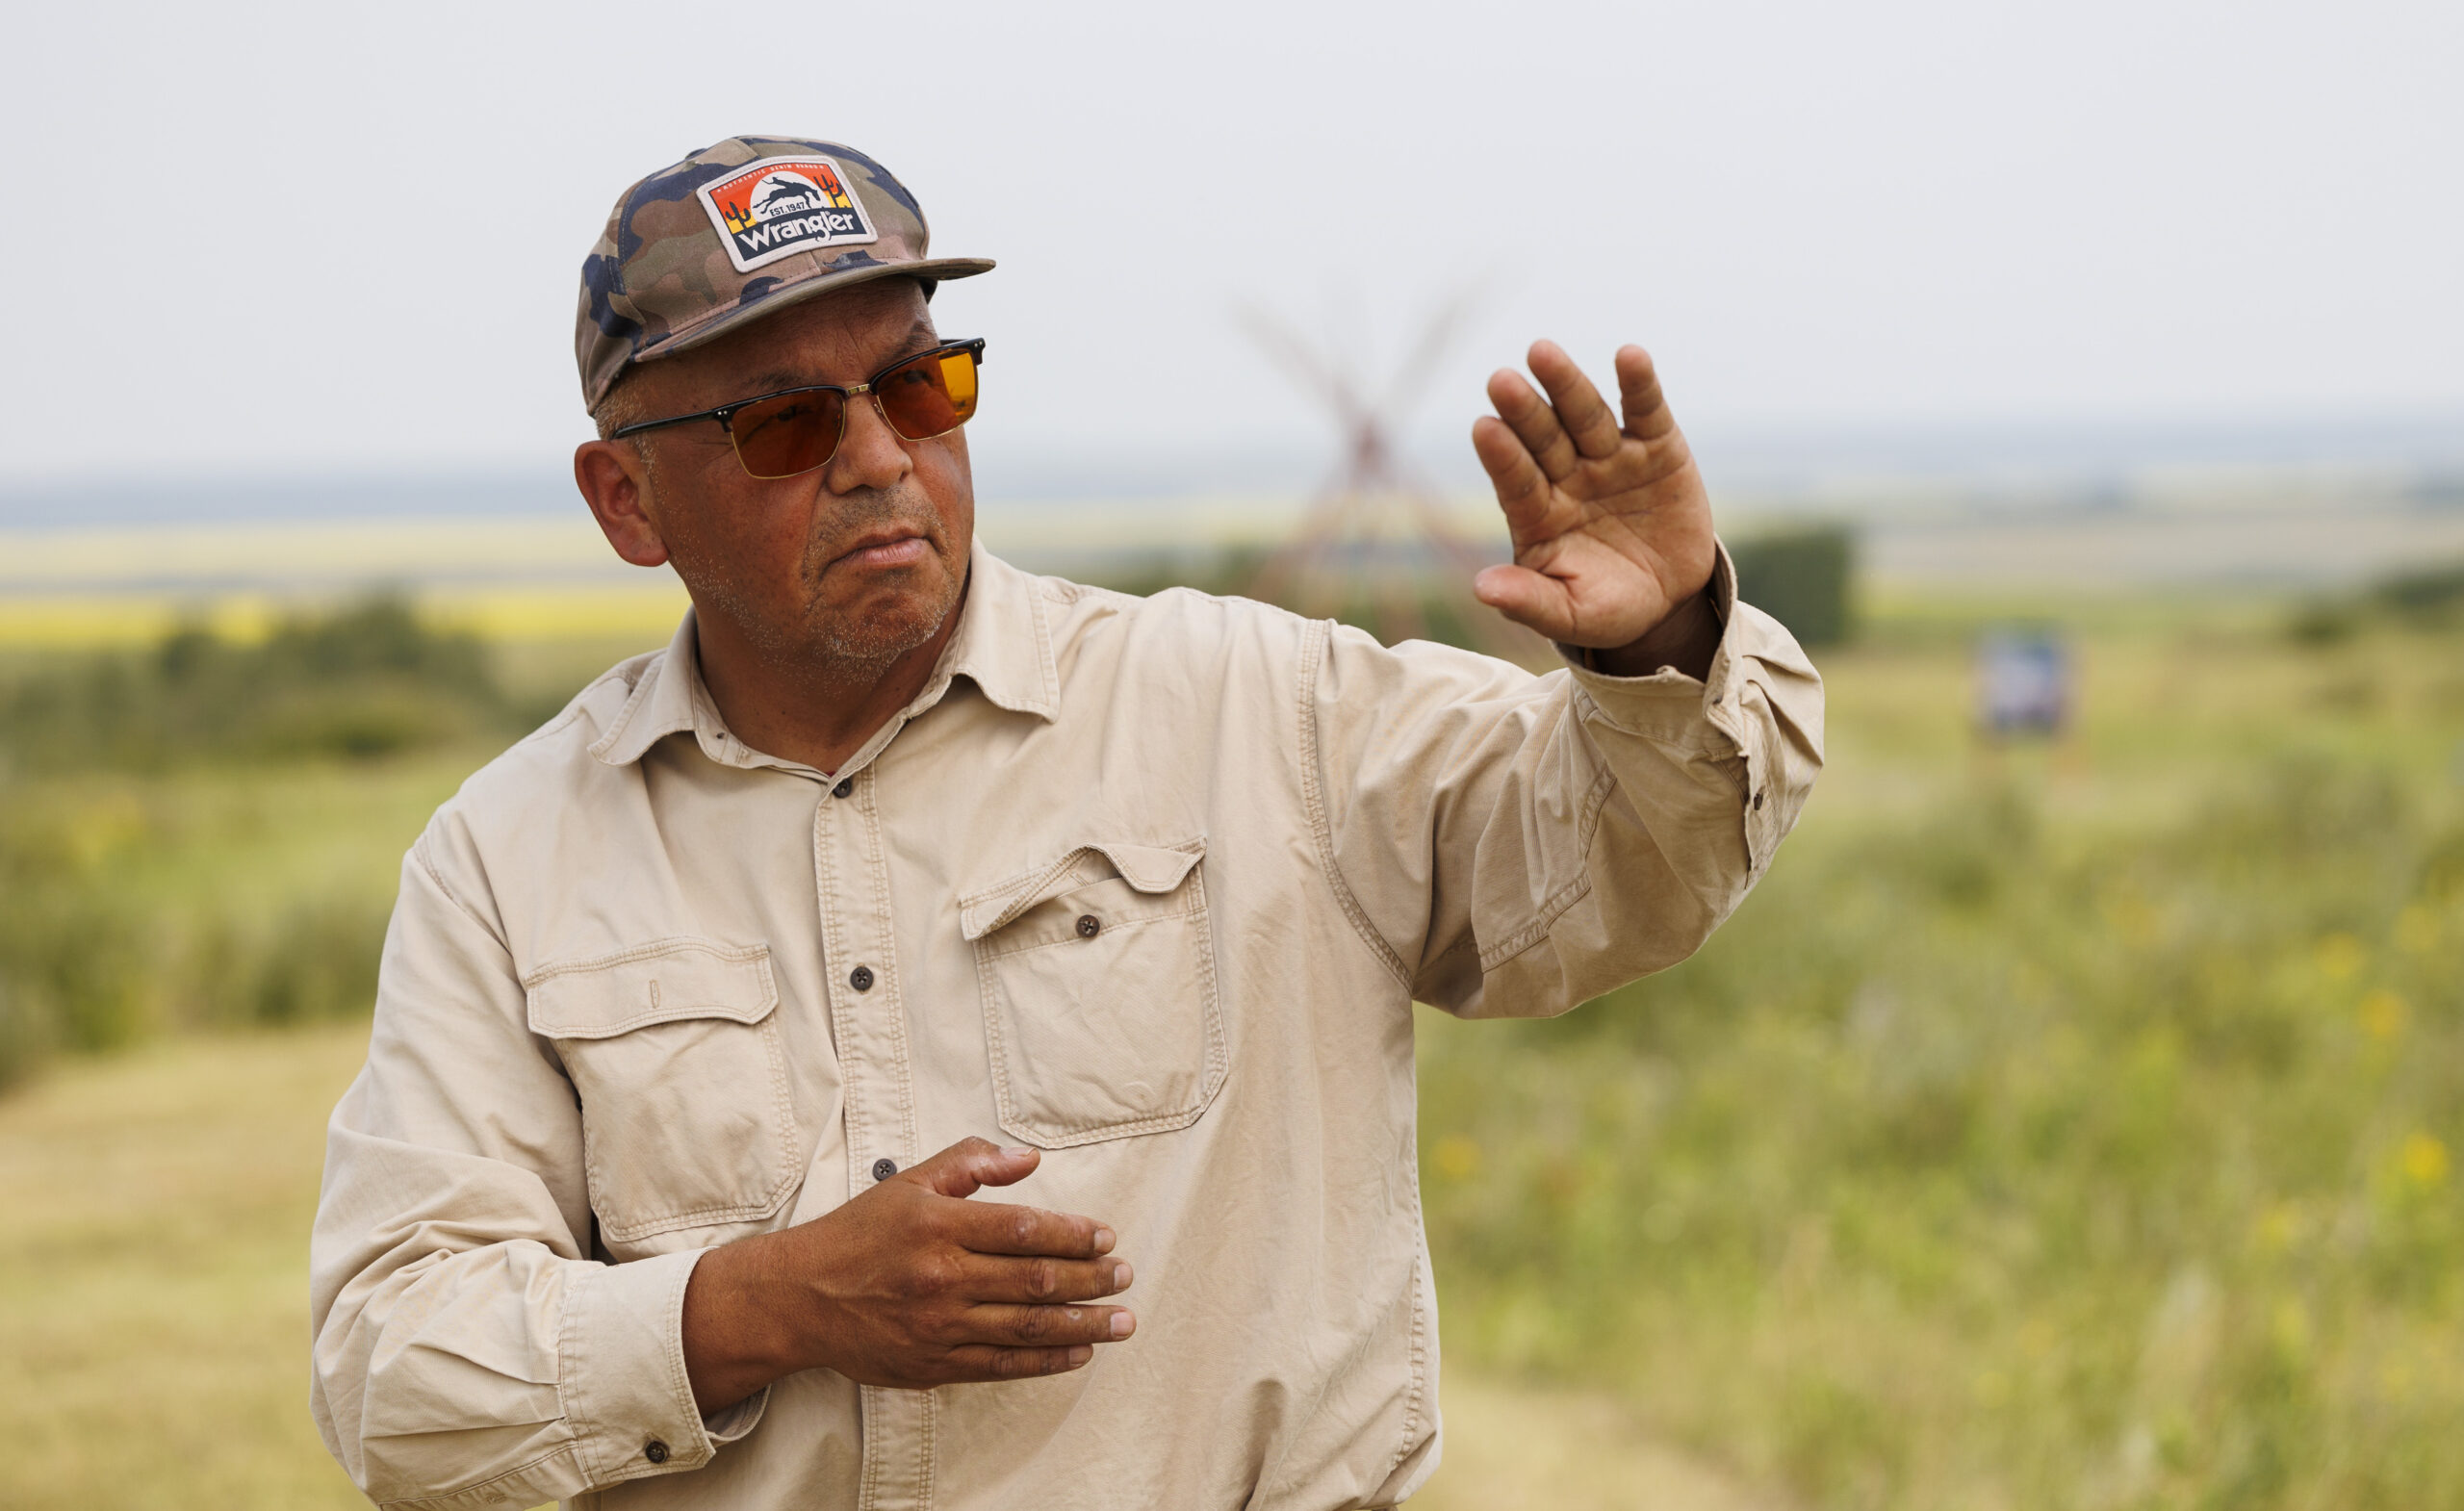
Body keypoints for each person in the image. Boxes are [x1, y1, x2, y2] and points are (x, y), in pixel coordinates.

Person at [310, 135, 1823, 1511]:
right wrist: (767, 1303)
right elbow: (395, 1375)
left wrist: (1655, 650)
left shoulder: (1254, 704)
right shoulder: (508, 859)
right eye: (781, 423)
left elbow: (1621, 877)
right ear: (626, 502)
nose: (880, 458)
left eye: (918, 384)